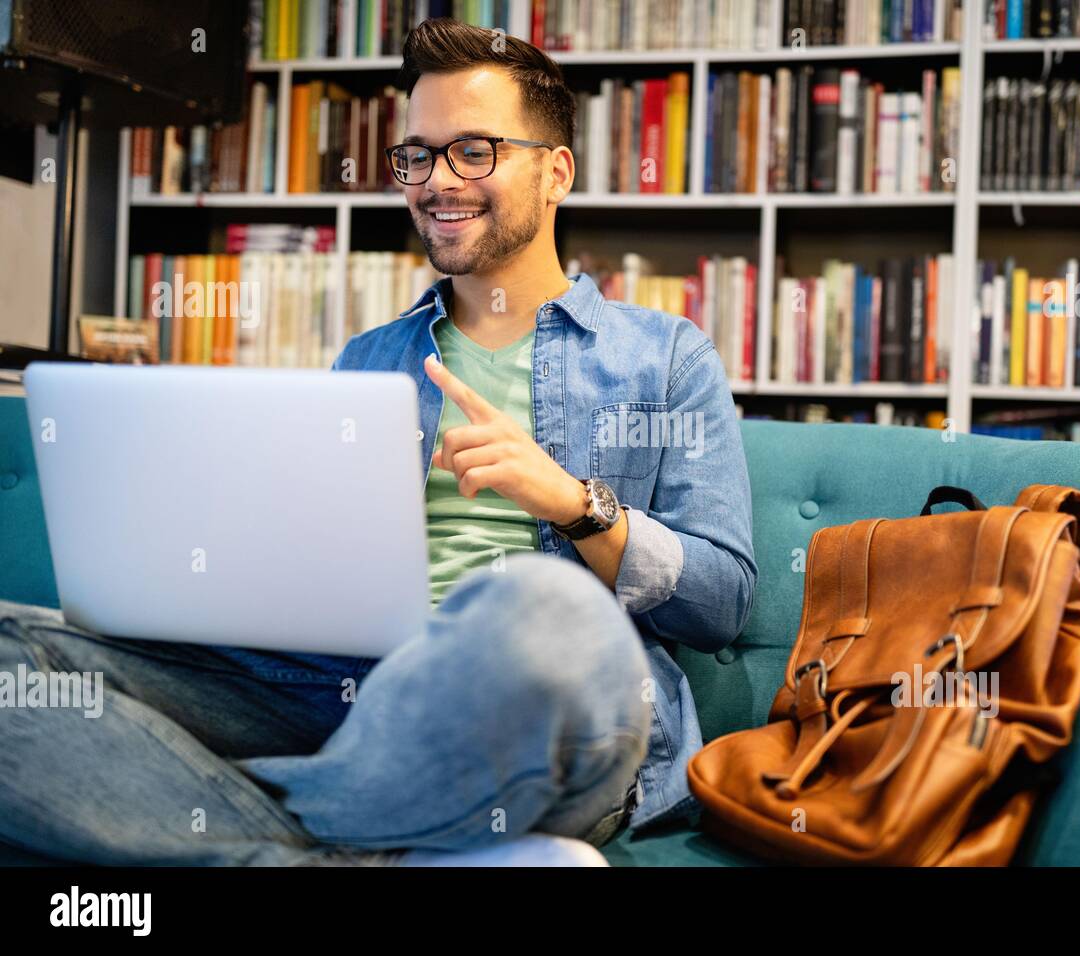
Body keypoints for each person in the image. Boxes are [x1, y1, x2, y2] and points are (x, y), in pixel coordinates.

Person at [0, 17, 755, 866]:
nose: (437, 182)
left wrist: (573, 505)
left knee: (541, 609)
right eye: (417, 157)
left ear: (556, 173)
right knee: (13, 658)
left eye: (473, 151)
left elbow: (723, 600)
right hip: (354, 691)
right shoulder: (371, 358)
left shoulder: (664, 354)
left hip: (552, 698)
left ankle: (255, 812)